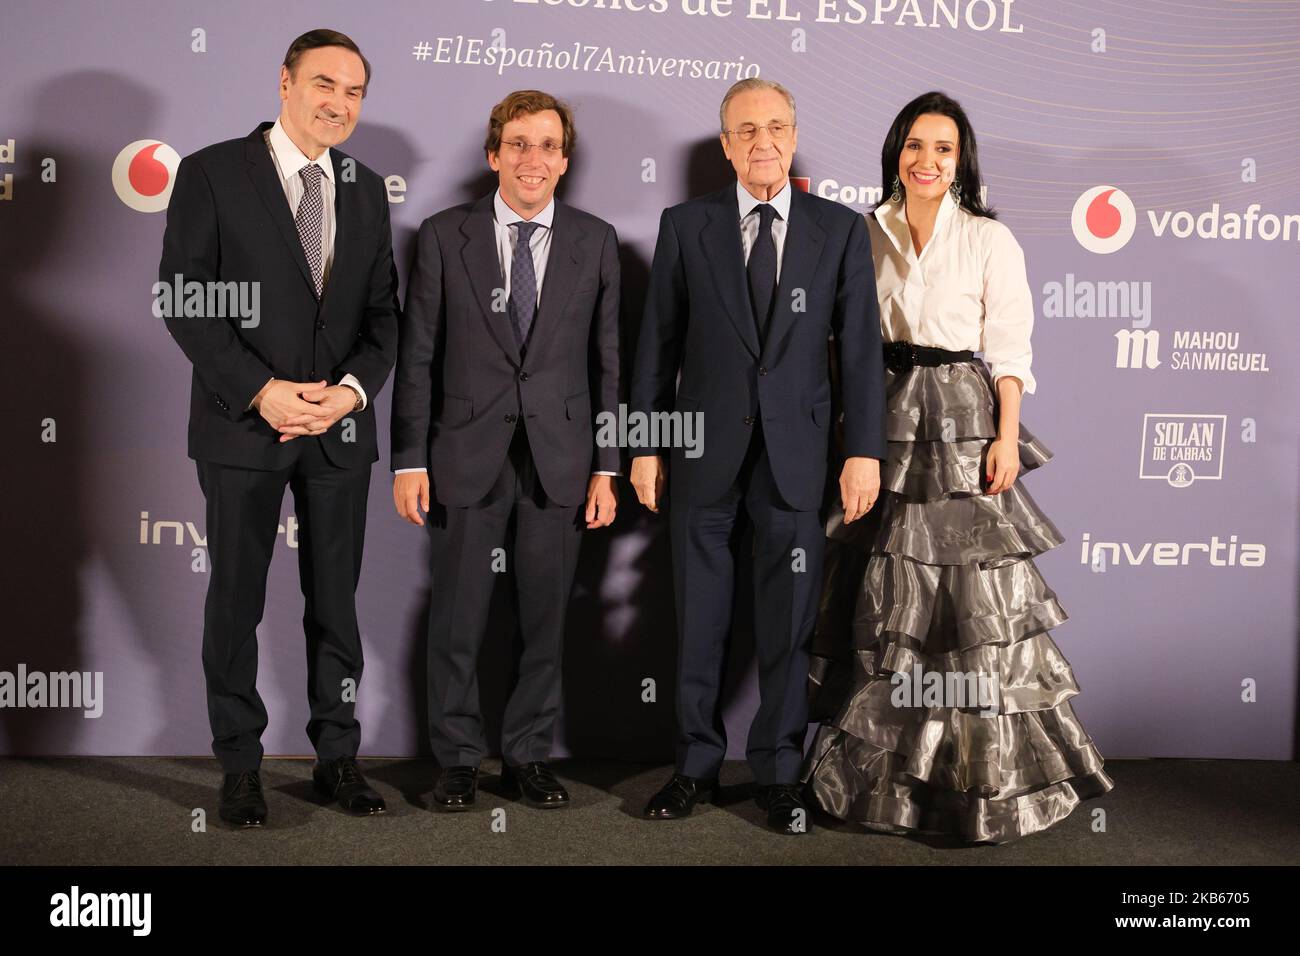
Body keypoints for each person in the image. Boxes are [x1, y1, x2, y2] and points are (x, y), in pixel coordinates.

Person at [803, 91, 1114, 843]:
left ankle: (976, 787)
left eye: (943, 148)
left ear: (961, 160)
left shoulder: (988, 238)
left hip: (963, 421)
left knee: (968, 603)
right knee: (888, 592)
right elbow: (841, 337)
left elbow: (1009, 346)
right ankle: (883, 787)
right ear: (895, 154)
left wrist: (1005, 438)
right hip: (881, 415)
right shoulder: (862, 232)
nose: (928, 160)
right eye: (915, 145)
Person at [630, 78, 887, 835]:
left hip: (797, 459)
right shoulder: (686, 225)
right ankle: (694, 767)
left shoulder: (839, 230)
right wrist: (643, 445)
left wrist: (864, 452)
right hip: (700, 457)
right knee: (699, 620)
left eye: (775, 127)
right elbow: (656, 348)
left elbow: (861, 353)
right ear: (726, 145)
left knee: (788, 625)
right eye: (746, 130)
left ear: (794, 136)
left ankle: (778, 772)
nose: (763, 142)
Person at [159, 30, 399, 826]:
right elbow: (185, 298)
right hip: (243, 427)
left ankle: (338, 757)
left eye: (354, 92)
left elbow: (383, 316)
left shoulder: (365, 188)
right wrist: (261, 392)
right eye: (325, 83)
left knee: (336, 603)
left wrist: (351, 395)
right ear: (285, 82)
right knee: (236, 601)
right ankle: (240, 766)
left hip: (338, 433)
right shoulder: (212, 172)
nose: (339, 103)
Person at [391, 90, 621, 812]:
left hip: (561, 462)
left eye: (548, 145)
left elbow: (610, 362)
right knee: (457, 619)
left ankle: (527, 755)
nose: (533, 158)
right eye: (518, 143)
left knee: (546, 622)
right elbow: (417, 357)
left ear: (565, 160)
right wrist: (409, 458)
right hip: (463, 457)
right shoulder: (442, 235)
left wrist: (608, 465)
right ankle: (457, 760)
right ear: (493, 155)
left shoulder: (597, 240)